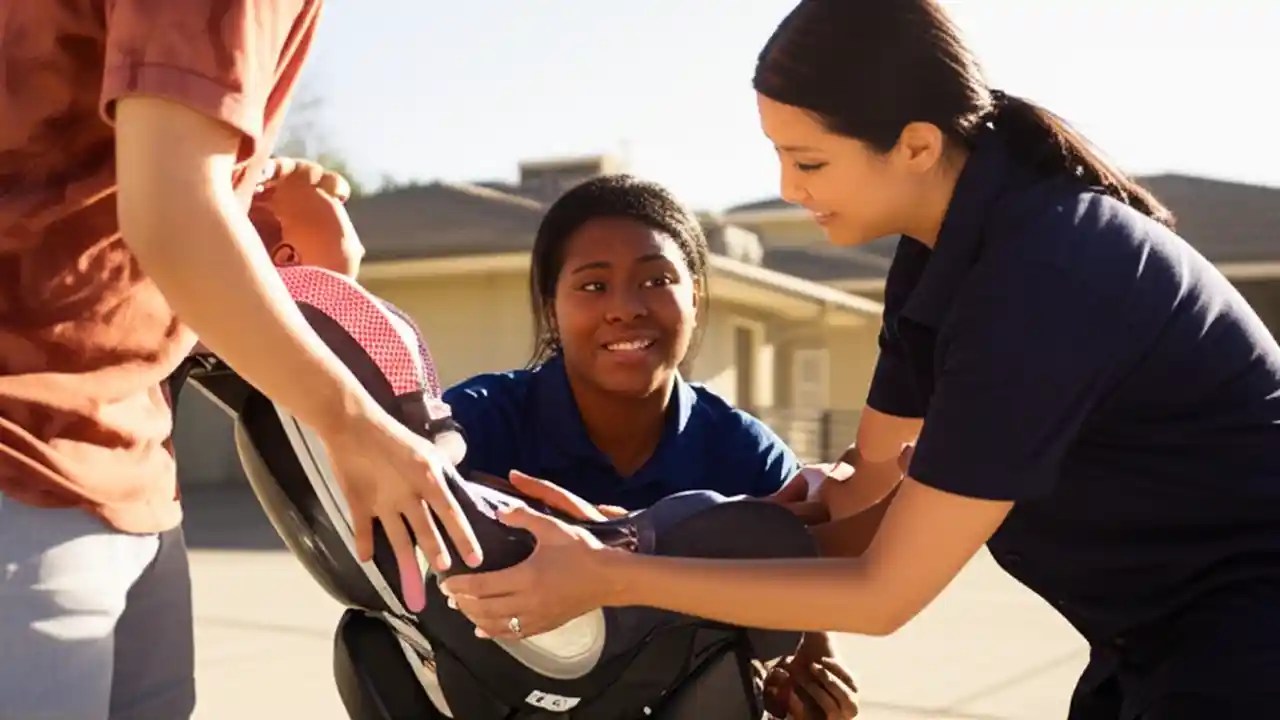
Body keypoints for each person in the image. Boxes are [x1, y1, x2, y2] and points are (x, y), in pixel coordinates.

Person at [440, 1, 1280, 718]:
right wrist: (624, 540)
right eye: (777, 154)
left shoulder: (1041, 273)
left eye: (808, 160)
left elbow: (882, 592)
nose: (789, 185)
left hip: (1246, 634)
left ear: (915, 145)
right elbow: (860, 487)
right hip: (1153, 641)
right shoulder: (943, 252)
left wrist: (609, 578)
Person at [0, 3, 479, 718]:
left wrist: (246, 201)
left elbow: (139, 207)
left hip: (122, 461)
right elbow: (172, 217)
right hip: (23, 450)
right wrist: (352, 425)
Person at [439, 174, 859, 719]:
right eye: (593, 286)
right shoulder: (482, 418)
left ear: (695, 296)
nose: (625, 308)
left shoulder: (744, 453)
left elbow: (806, 594)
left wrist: (807, 671)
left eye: (656, 280)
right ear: (551, 308)